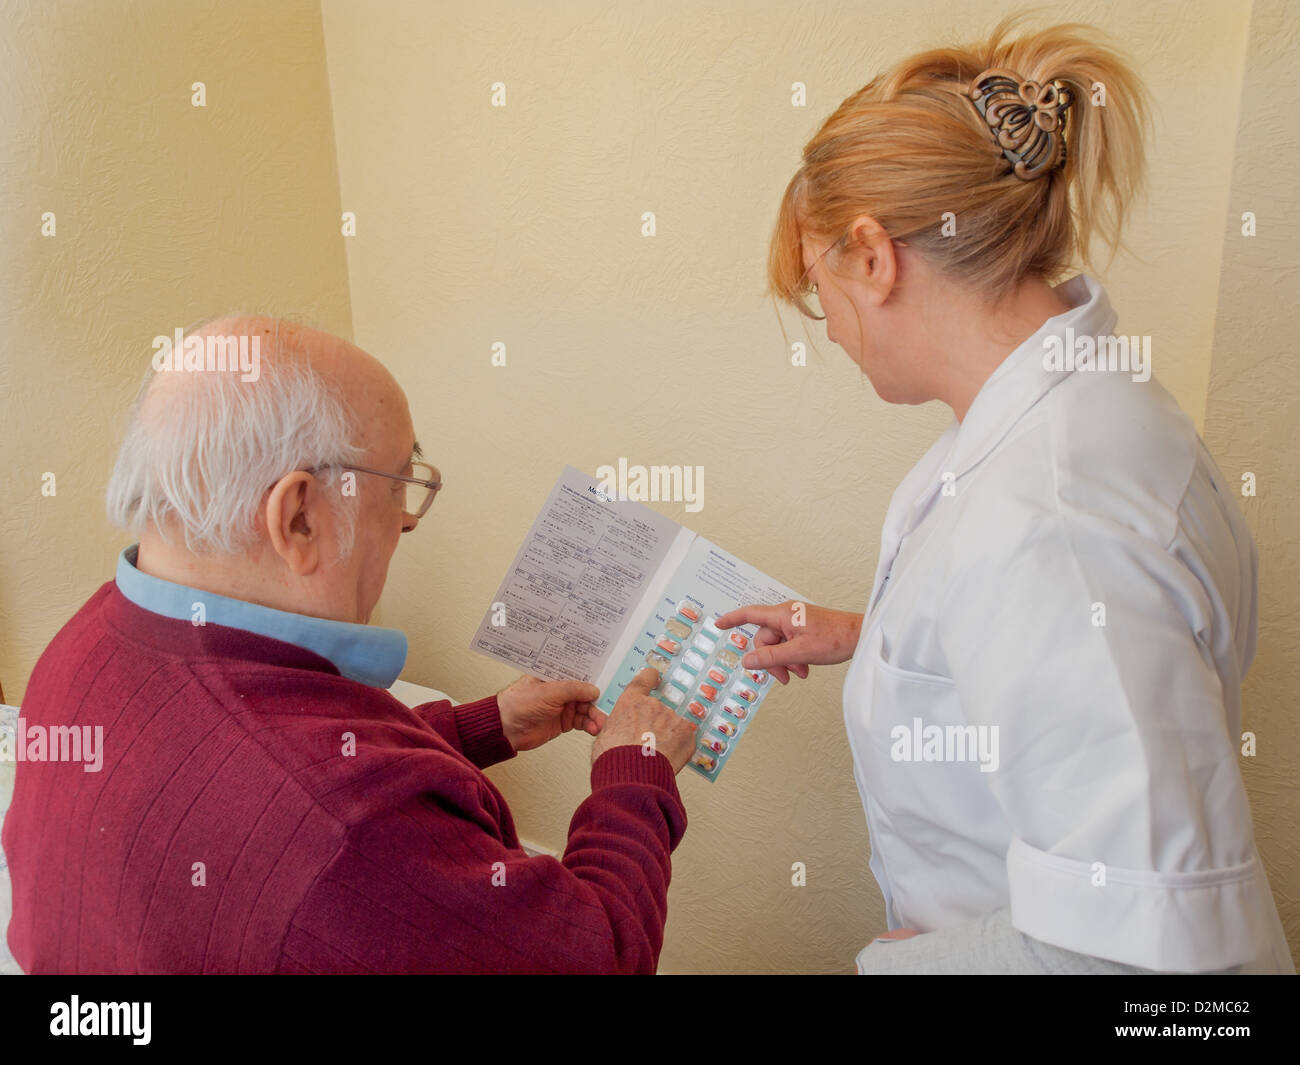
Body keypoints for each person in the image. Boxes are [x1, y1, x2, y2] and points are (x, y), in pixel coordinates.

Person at [718, 17, 1294, 974]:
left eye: (819, 294)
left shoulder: (1050, 517)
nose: (829, 334)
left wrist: (901, 966)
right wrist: (877, 638)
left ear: (872, 255)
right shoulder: (1084, 409)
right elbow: (1063, 651)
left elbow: (1162, 978)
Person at [3, 315, 697, 974]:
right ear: (298, 516)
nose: (406, 522)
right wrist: (634, 774)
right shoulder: (349, 830)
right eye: (399, 485)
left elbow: (265, 770)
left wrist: (480, 726)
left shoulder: (82, 644)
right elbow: (595, 957)